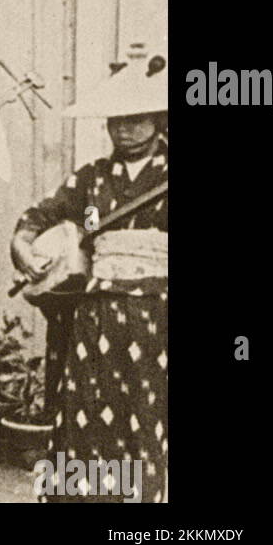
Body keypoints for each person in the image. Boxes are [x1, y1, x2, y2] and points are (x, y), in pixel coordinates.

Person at [11, 52, 168, 502]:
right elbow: (38, 216)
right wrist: (24, 246)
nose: (128, 128)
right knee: (85, 420)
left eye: (138, 117)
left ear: (158, 117)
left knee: (145, 422)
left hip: (156, 317)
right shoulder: (92, 178)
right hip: (93, 323)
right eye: (117, 119)